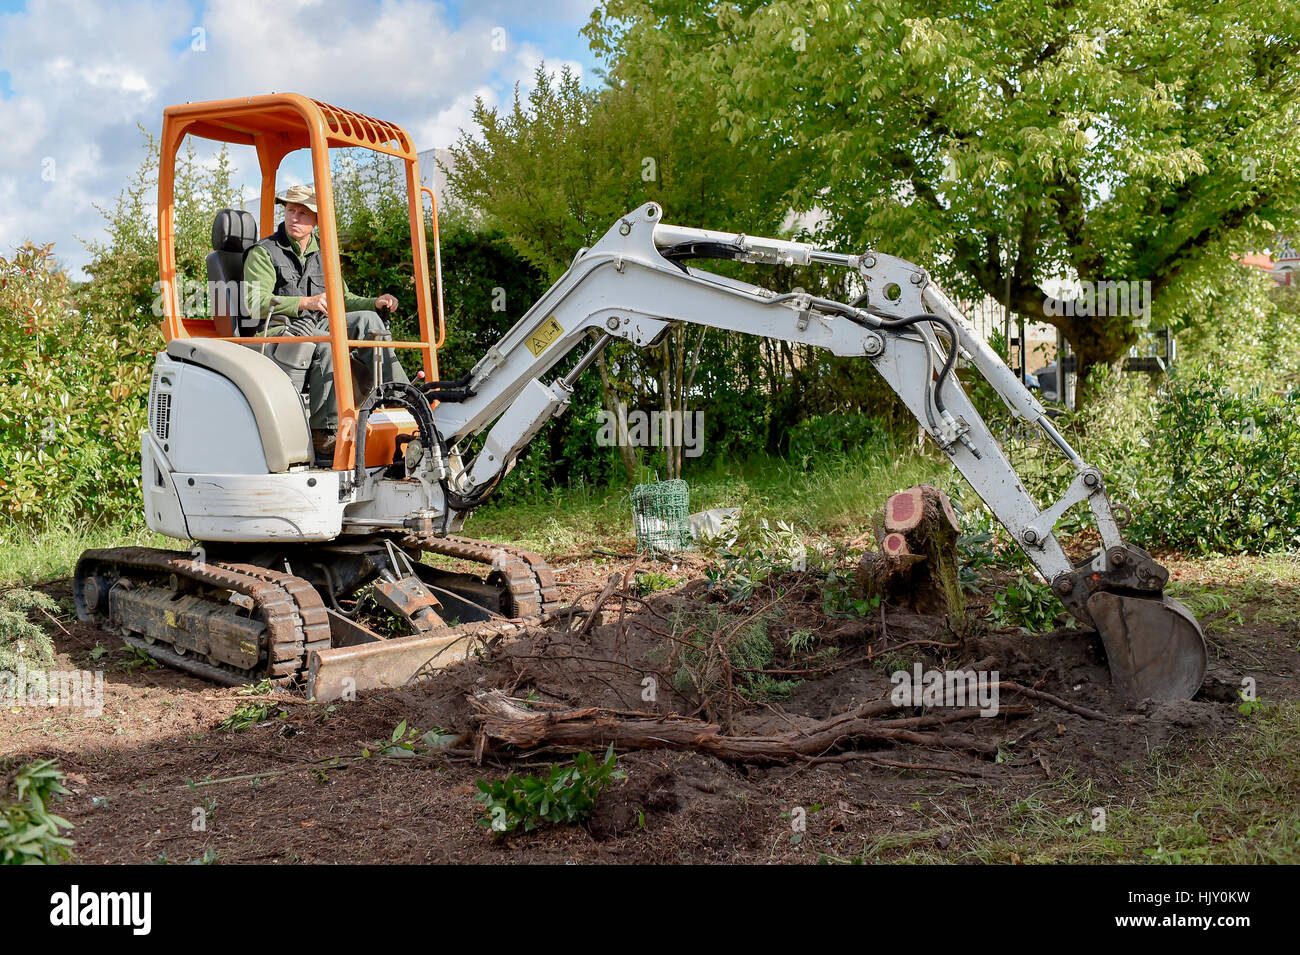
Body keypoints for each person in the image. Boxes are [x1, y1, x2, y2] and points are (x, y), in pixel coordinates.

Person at [243, 183, 408, 455]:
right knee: (328, 343)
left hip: (317, 326)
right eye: (291, 210)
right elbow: (254, 304)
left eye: (303, 213)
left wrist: (374, 302)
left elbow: (341, 299)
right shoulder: (264, 252)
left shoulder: (324, 254)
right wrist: (305, 303)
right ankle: (325, 432)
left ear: (317, 220)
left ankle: (401, 398)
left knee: (368, 321)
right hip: (280, 332)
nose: (295, 217)